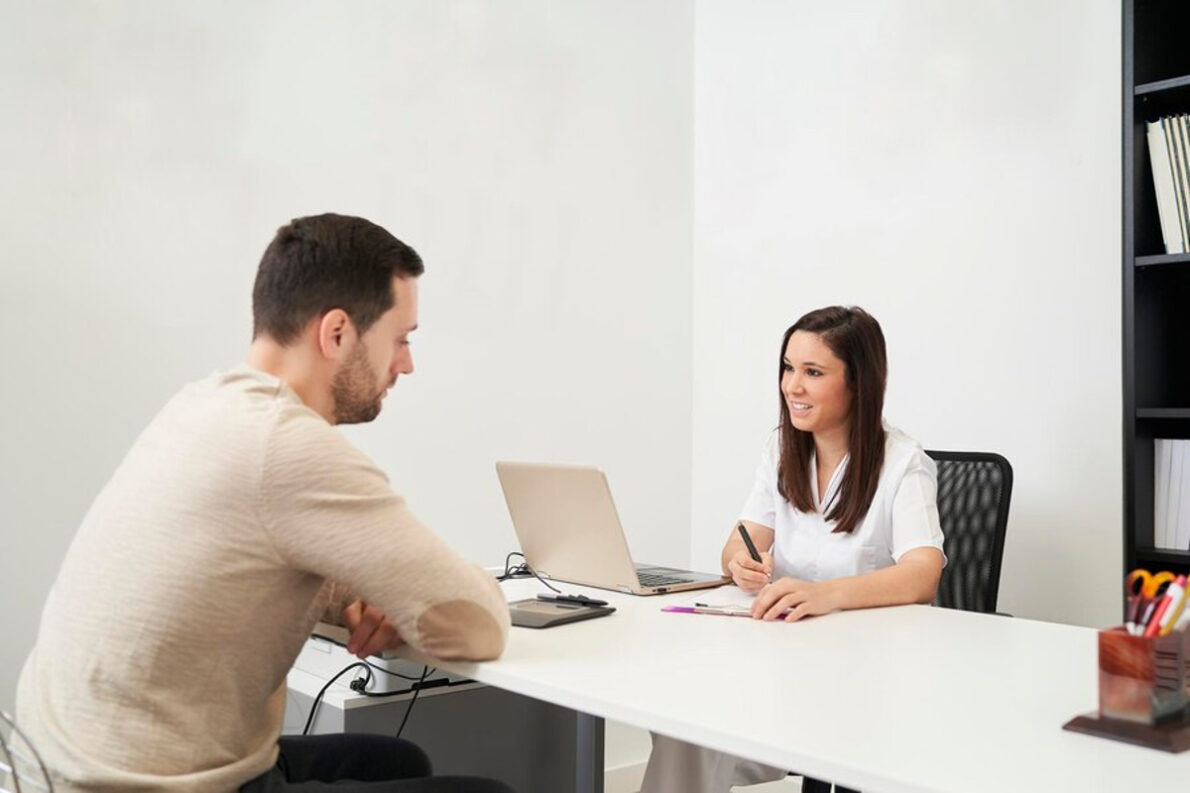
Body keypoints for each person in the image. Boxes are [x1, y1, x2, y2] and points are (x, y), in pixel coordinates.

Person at [15, 214, 515, 793]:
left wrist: (359, 593)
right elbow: (478, 625)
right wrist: (468, 587)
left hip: (56, 772)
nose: (406, 364)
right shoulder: (288, 445)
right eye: (401, 339)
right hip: (145, 787)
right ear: (337, 333)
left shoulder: (202, 408)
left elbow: (239, 563)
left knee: (394, 761)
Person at [639, 306, 945, 793]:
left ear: (859, 383)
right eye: (788, 367)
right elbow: (739, 544)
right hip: (785, 657)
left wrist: (828, 595)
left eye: (813, 372)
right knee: (684, 715)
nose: (792, 386)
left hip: (863, 674)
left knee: (698, 731)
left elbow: (923, 574)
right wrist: (740, 564)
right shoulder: (782, 449)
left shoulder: (903, 464)